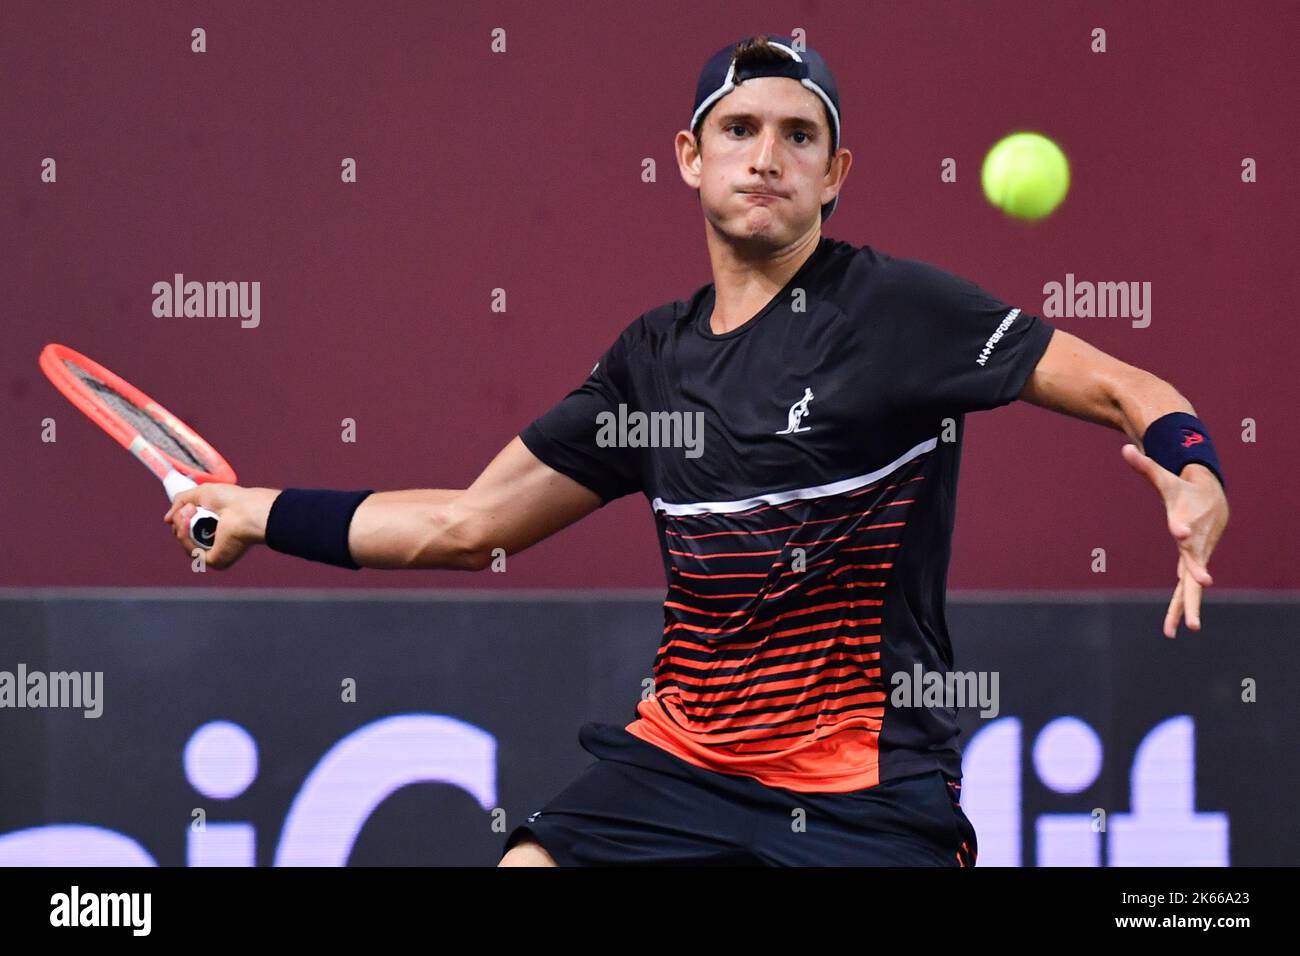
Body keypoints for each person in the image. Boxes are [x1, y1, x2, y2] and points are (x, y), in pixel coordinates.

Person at [166, 34, 1229, 867]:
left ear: (834, 173)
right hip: (680, 764)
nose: (767, 155)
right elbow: (466, 523)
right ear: (688, 155)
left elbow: (1130, 390)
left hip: (864, 784)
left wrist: (1194, 474)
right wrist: (259, 509)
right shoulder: (650, 364)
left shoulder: (897, 311)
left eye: (799, 136)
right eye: (739, 128)